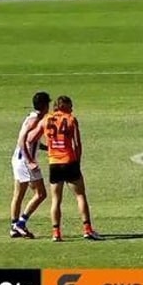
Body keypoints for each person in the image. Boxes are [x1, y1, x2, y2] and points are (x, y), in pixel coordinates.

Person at [39, 96, 102, 241]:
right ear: (63, 106)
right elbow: (77, 144)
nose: (72, 108)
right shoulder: (71, 119)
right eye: (70, 105)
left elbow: (36, 138)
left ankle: (56, 232)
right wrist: (77, 162)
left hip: (54, 162)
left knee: (56, 199)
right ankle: (87, 229)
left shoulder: (46, 120)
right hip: (69, 160)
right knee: (80, 195)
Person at [9, 91, 50, 239]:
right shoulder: (35, 120)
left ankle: (14, 226)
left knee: (18, 195)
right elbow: (22, 140)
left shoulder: (31, 117)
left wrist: (47, 148)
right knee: (41, 194)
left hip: (18, 160)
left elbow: (33, 141)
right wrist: (30, 161)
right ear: (45, 106)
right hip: (25, 162)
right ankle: (21, 223)